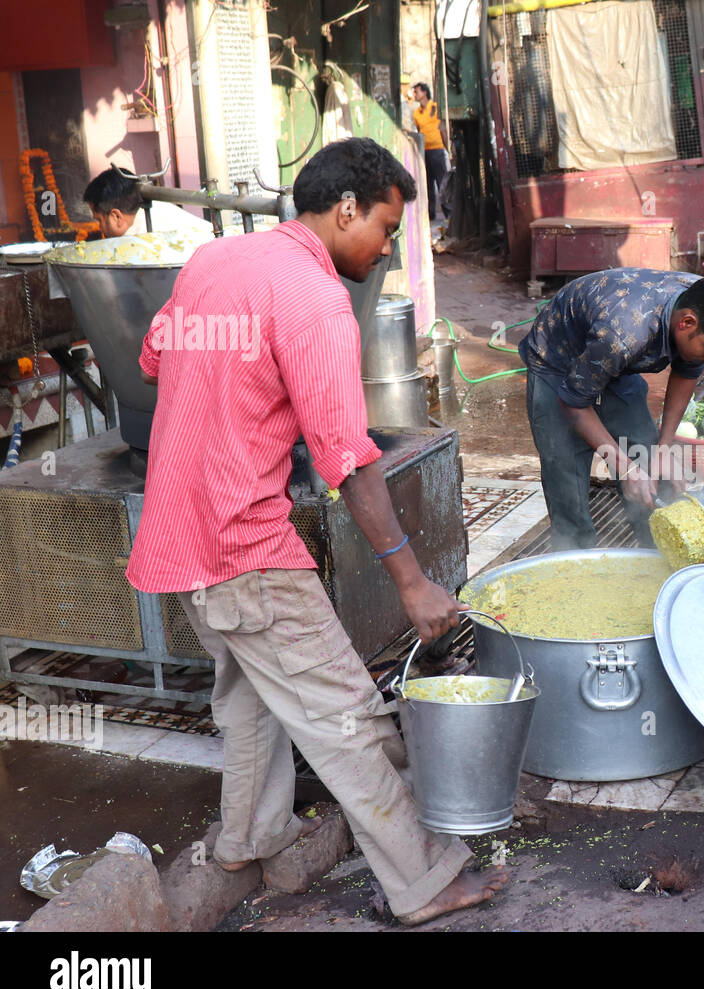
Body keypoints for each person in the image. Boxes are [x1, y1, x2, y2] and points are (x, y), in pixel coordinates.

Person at [125, 138, 507, 926]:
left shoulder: (213, 261)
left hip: (178, 538)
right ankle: (422, 880)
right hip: (244, 544)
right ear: (345, 211)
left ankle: (247, 838)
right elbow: (347, 461)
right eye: (386, 228)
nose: (388, 248)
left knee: (249, 696)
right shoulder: (316, 298)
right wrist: (412, 580)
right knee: (345, 716)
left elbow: (155, 357)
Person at [519, 270, 704, 550]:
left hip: (613, 361)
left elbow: (686, 372)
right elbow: (572, 404)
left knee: (645, 453)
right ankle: (576, 558)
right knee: (566, 474)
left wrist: (664, 448)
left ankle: (656, 552)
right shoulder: (623, 335)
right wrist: (623, 466)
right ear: (686, 323)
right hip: (556, 362)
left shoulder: (703, 303)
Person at [82, 167, 213, 239]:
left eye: (99, 220)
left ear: (116, 216)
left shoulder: (135, 242)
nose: (100, 228)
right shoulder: (158, 207)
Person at [409, 82, 451, 220]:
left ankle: (448, 213)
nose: (415, 94)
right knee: (427, 184)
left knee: (442, 183)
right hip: (424, 152)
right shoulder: (416, 113)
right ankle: (430, 214)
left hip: (437, 150)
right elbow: (420, 132)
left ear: (424, 93)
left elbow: (443, 128)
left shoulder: (435, 107)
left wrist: (448, 148)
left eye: (417, 92)